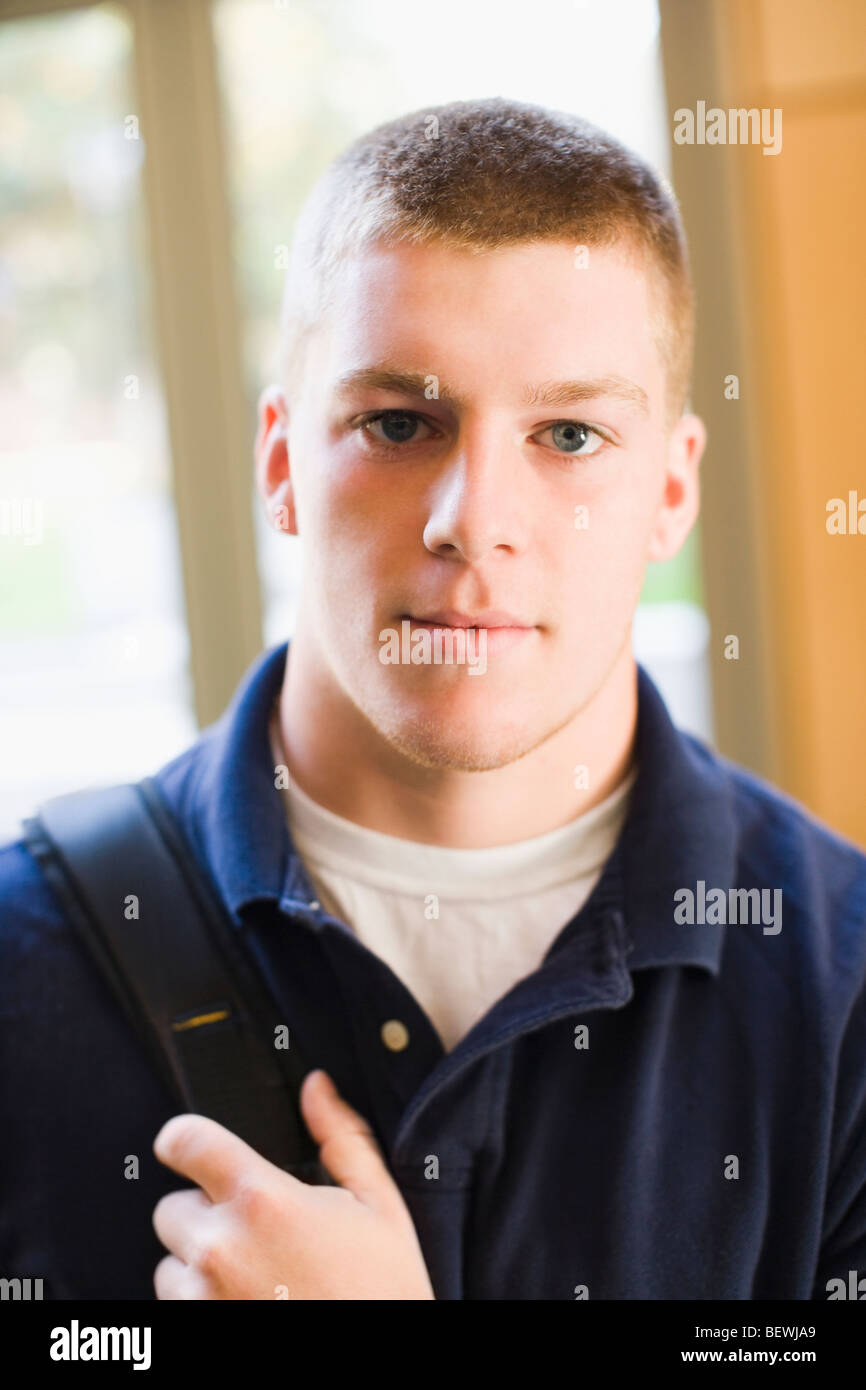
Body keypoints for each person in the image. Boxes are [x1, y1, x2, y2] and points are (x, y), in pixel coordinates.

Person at [1, 96, 864, 1301]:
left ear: (669, 493)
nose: (474, 521)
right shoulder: (16, 954)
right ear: (281, 462)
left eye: (566, 434)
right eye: (398, 422)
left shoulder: (845, 995)